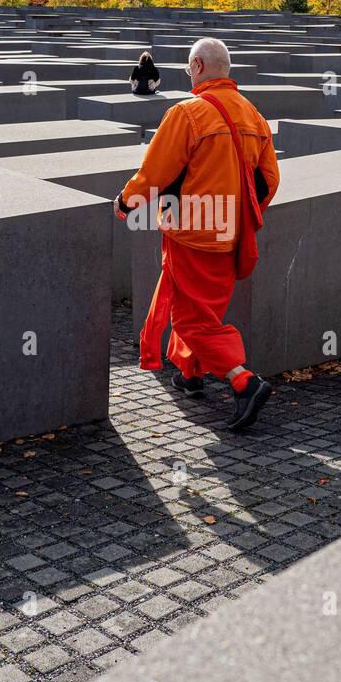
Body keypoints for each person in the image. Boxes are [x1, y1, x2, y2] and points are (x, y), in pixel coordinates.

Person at [116, 37, 279, 431]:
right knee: (204, 309)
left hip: (192, 234)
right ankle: (188, 374)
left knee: (191, 321)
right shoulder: (254, 116)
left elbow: (156, 171)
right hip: (231, 235)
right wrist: (239, 215)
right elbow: (269, 180)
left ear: (199, 67)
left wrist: (126, 202)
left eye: (190, 69)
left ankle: (243, 381)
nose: (190, 76)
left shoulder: (187, 113)